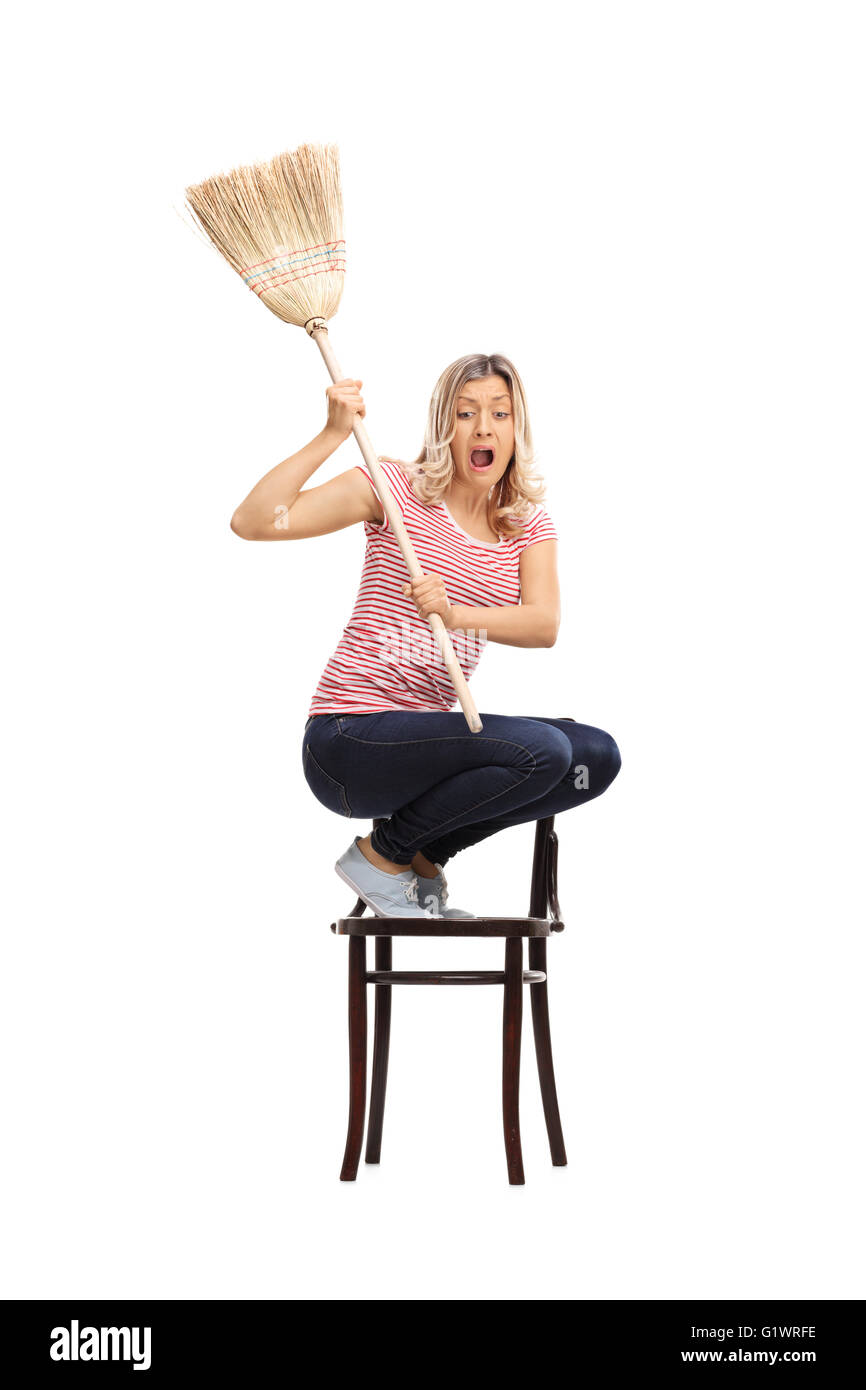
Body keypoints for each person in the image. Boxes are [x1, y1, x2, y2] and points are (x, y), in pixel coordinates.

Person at [230, 352, 621, 917]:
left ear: (518, 428)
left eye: (500, 414)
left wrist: (457, 613)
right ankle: (378, 857)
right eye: (466, 414)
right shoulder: (394, 488)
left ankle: (419, 856)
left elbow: (543, 624)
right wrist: (332, 434)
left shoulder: (525, 520)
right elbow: (256, 521)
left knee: (591, 758)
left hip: (432, 740)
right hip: (350, 743)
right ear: (445, 425)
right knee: (543, 752)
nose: (484, 428)